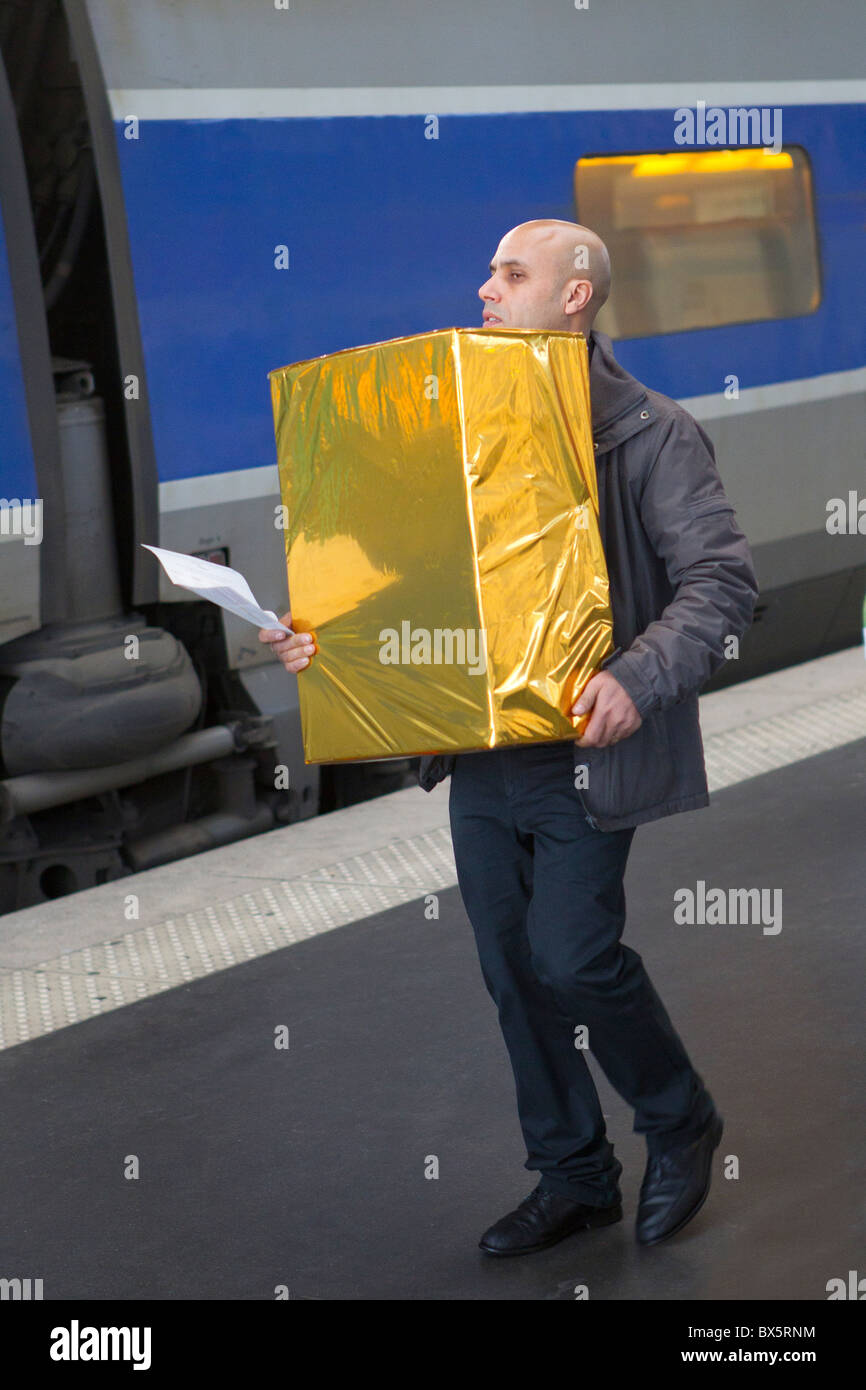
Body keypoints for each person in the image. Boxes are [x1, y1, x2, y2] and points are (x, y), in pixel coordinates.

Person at [260, 220, 759, 1254]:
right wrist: (330, 646)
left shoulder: (648, 433)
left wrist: (636, 676)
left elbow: (722, 585)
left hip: (587, 743)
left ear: (574, 297)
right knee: (509, 966)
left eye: (510, 272)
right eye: (489, 269)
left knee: (571, 957)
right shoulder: (462, 428)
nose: (483, 286)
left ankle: (678, 1119)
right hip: (479, 748)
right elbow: (413, 581)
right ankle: (574, 1174)